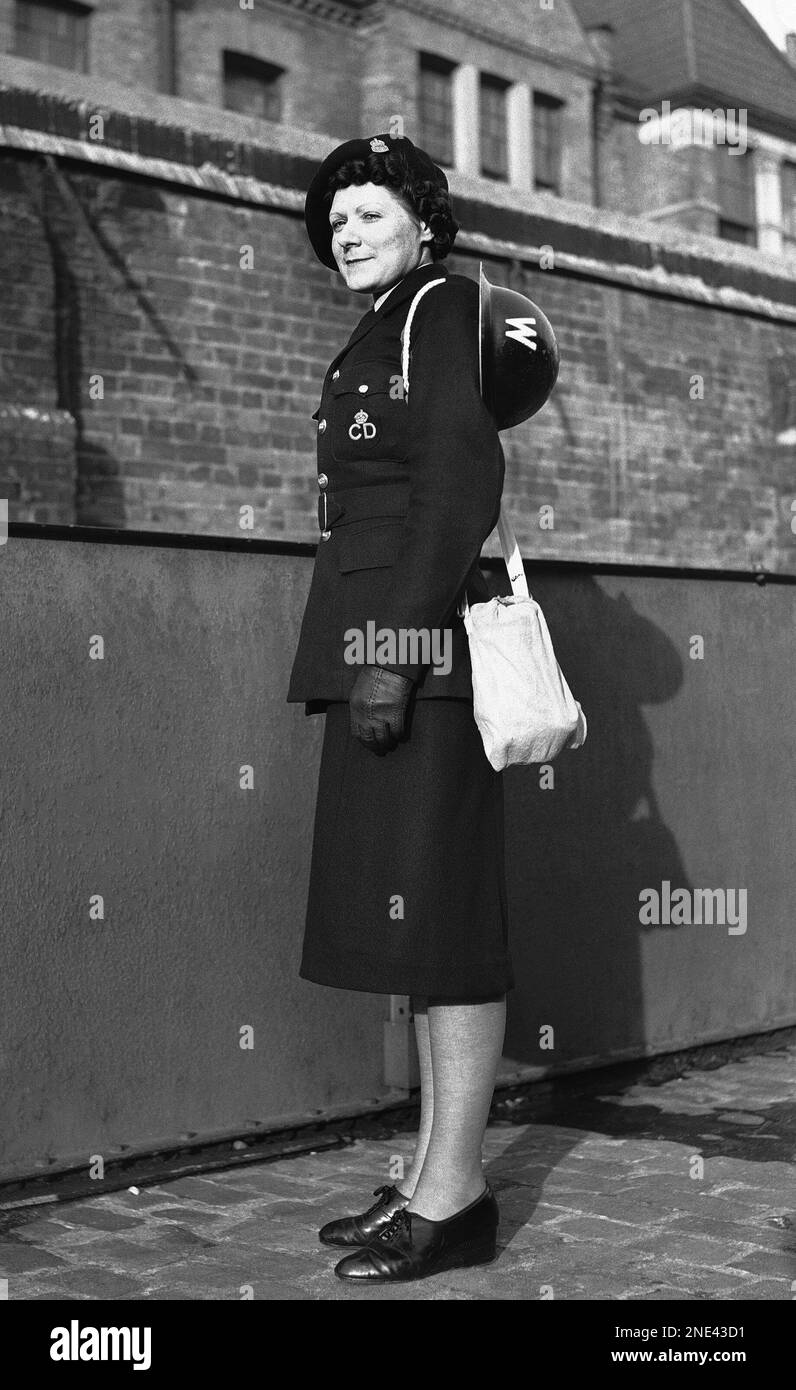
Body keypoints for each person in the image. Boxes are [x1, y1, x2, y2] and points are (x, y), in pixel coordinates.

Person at [286, 132, 513, 1283]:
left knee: (449, 926)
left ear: (424, 221)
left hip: (414, 656)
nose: (347, 235)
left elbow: (463, 482)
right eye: (336, 225)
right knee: (418, 931)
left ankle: (456, 1191)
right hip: (376, 644)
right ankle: (432, 1173)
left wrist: (398, 655)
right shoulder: (384, 324)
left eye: (368, 215)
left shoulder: (443, 309)